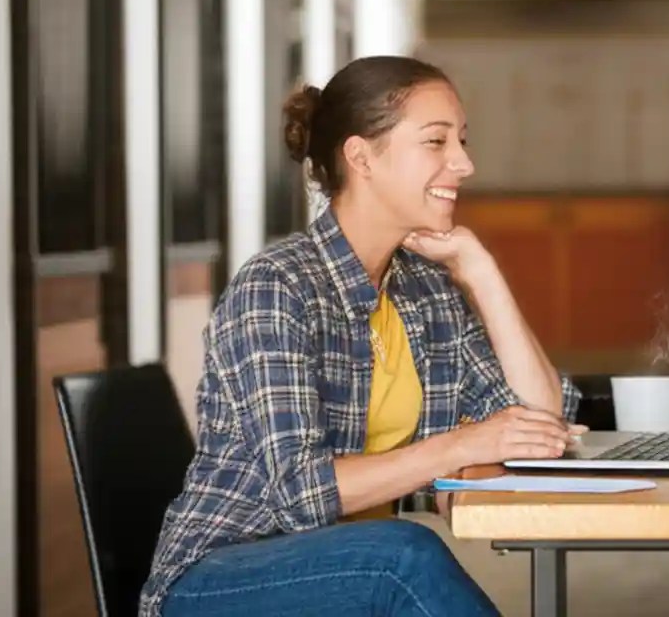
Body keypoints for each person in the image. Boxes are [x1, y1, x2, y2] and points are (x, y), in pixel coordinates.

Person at [139, 55, 584, 616]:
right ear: (362, 156)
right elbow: (301, 495)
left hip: (343, 566)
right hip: (223, 575)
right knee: (400, 558)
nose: (463, 163)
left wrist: (483, 274)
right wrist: (464, 444)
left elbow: (541, 419)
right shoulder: (278, 287)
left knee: (392, 560)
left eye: (462, 141)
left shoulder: (423, 288)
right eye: (436, 142)